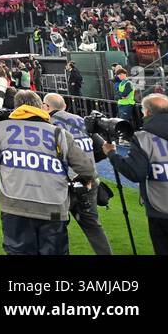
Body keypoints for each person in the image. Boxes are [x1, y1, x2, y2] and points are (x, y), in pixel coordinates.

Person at [0, 89, 96, 255]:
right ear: (40, 107)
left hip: (15, 206)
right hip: (53, 207)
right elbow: (87, 169)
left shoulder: (0, 128)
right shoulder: (60, 133)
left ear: (16, 107)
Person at [97, 93, 168, 255]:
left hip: (162, 211)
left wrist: (112, 154)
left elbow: (135, 173)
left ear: (147, 112)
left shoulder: (143, 138)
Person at [43, 93, 112, 255]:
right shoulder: (81, 121)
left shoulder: (48, 123)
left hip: (63, 184)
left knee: (55, 227)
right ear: (65, 106)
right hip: (88, 182)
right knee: (93, 226)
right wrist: (88, 162)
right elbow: (103, 149)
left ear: (46, 106)